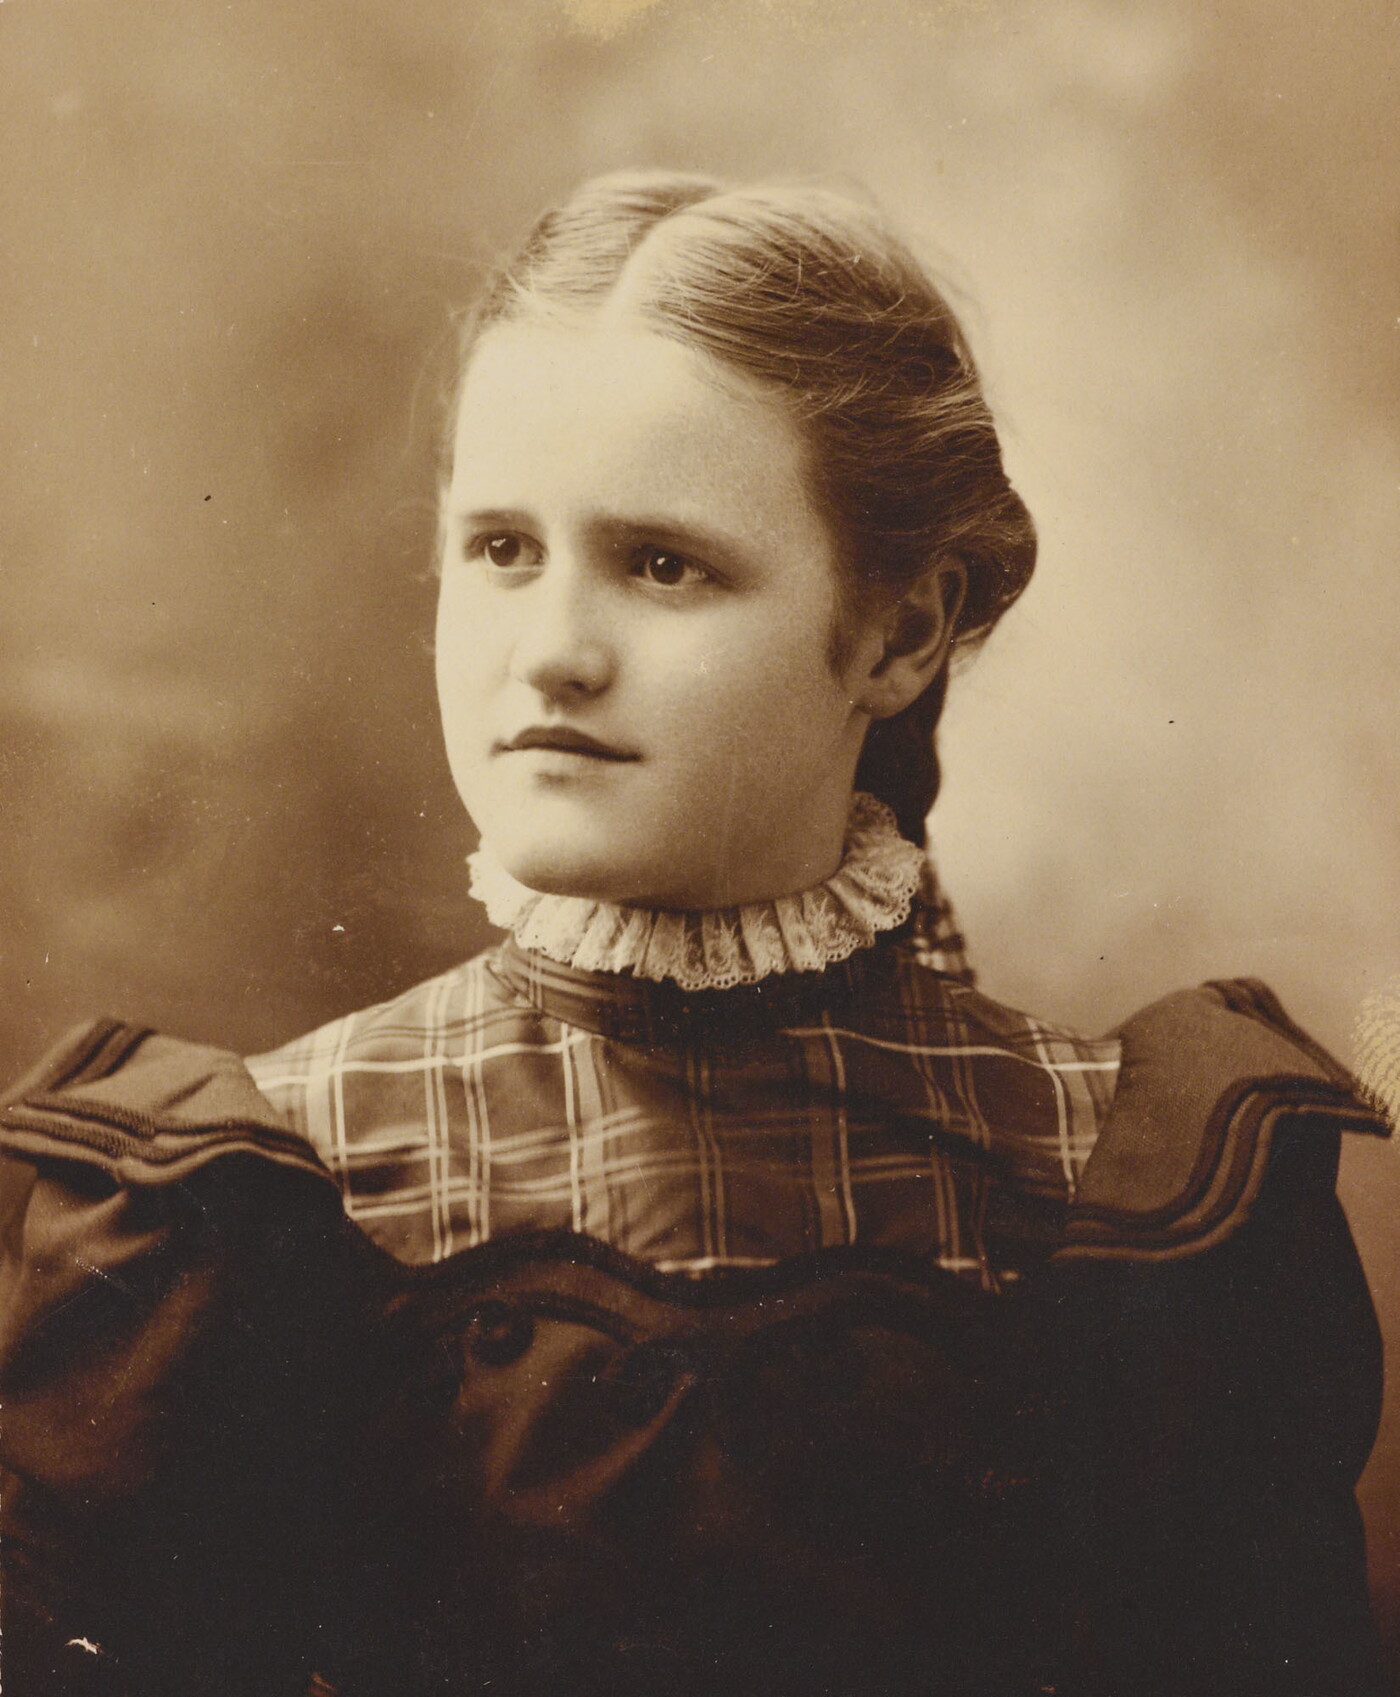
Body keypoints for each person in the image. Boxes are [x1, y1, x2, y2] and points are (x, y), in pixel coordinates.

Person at [0, 171, 1391, 1697]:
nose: (554, 653)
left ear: (900, 631)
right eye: (501, 549)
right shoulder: (258, 1195)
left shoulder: (1121, 1196)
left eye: (664, 564)